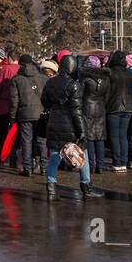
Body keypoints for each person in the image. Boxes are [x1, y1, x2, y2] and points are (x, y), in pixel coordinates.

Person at [41, 52, 97, 200]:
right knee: (81, 155)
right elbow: (77, 111)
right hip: (70, 125)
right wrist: (82, 131)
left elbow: (44, 102)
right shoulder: (74, 85)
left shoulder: (50, 82)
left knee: (54, 157)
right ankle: (86, 188)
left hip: (54, 122)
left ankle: (51, 190)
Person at [7, 54, 44, 176]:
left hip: (24, 114)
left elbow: (14, 102)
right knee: (41, 140)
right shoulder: (43, 78)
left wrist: (12, 119)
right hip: (41, 114)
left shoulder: (16, 79)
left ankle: (27, 168)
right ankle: (43, 167)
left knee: (26, 141)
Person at [104, 50, 132, 172]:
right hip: (128, 107)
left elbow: (106, 92)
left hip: (113, 108)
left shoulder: (110, 73)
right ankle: (123, 162)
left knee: (114, 136)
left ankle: (117, 162)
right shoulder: (129, 74)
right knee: (123, 136)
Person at [79, 55, 110, 172]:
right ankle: (100, 165)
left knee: (90, 138)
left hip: (87, 107)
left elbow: (80, 94)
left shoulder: (85, 78)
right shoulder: (106, 78)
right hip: (101, 107)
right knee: (100, 138)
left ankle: (91, 165)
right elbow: (107, 95)